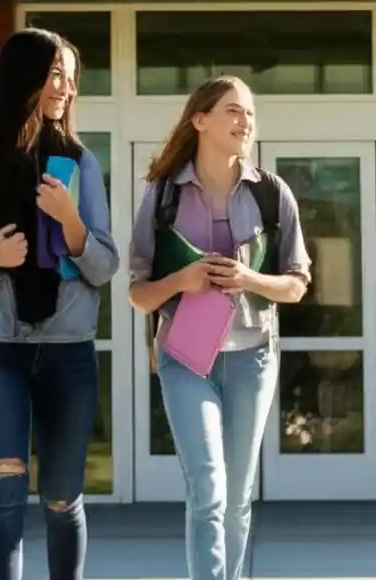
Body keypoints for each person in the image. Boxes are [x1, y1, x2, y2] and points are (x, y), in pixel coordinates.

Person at [0, 28, 119, 580]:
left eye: (70, 77)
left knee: (62, 497)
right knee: (6, 490)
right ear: (24, 77)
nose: (65, 88)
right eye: (55, 74)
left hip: (68, 352)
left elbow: (105, 266)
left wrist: (72, 222)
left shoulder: (80, 165)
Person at [127, 75, 311, 580]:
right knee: (208, 488)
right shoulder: (162, 195)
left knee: (238, 494)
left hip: (252, 356)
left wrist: (249, 277)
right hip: (185, 358)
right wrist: (183, 280)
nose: (244, 121)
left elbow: (296, 286)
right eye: (233, 110)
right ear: (200, 120)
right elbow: (137, 292)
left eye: (249, 113)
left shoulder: (273, 194)